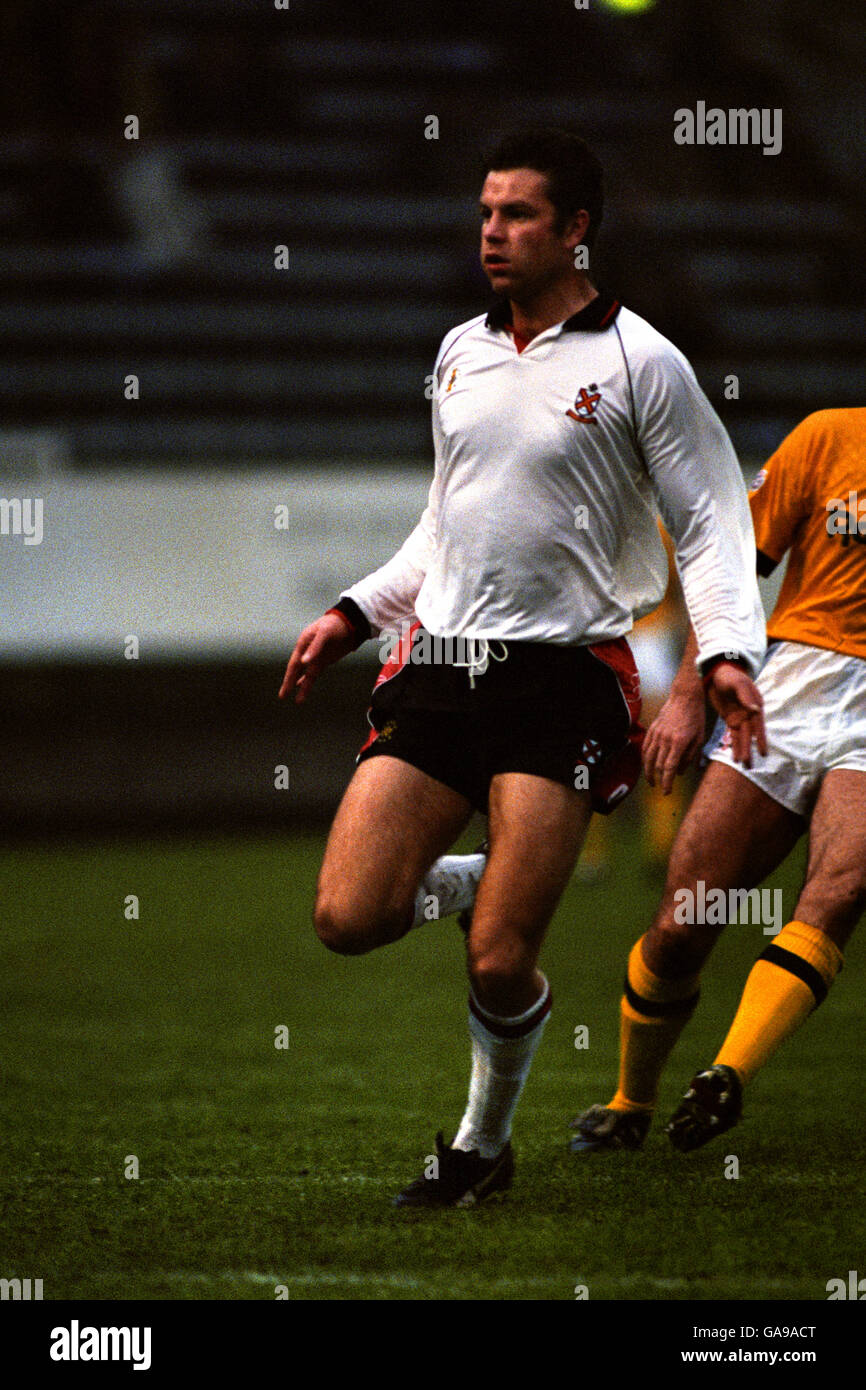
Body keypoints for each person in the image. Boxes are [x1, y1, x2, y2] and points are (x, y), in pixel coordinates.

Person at [279, 126, 766, 1207]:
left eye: (515, 215)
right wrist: (354, 609)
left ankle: (478, 1147)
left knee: (501, 960)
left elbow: (710, 524)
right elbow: (442, 527)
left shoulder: (643, 361)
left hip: (564, 680)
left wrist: (722, 655)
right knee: (348, 917)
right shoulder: (457, 351)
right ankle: (475, 880)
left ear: (575, 229)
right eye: (484, 213)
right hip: (438, 666)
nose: (490, 233)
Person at [571, 408, 866, 1155]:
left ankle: (726, 1075)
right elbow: (736, 568)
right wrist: (690, 694)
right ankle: (630, 1098)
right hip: (791, 684)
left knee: (833, 893)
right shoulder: (828, 436)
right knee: (681, 923)